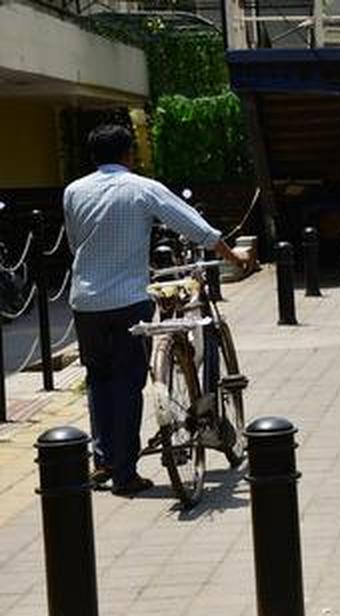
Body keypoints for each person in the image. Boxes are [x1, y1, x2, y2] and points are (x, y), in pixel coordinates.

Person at [63, 124, 250, 496]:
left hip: (84, 300)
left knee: (98, 379)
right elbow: (194, 226)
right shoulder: (142, 188)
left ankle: (102, 460)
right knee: (128, 382)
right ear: (128, 154)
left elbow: (73, 242)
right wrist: (232, 254)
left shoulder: (73, 191)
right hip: (128, 299)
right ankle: (125, 473)